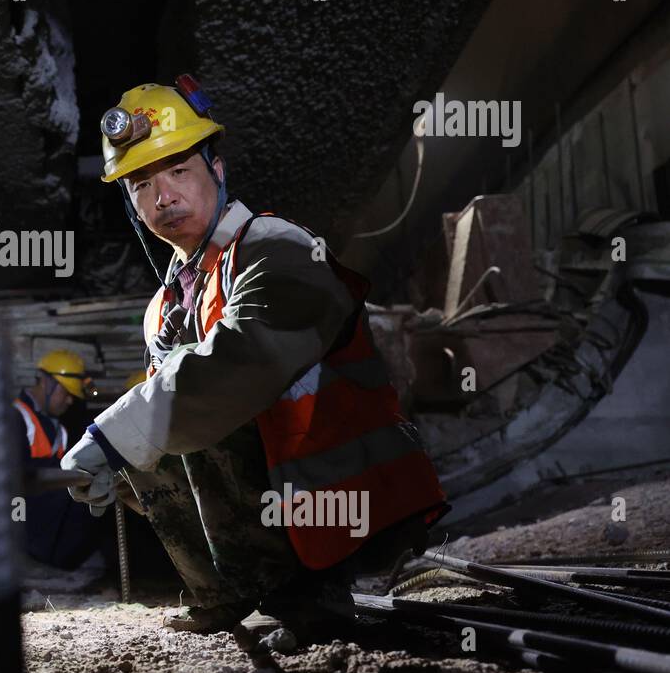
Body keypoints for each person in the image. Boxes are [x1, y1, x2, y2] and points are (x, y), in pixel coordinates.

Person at [61, 77, 448, 636]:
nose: (163, 196)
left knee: (178, 410)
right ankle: (223, 592)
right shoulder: (165, 303)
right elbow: (165, 419)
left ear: (216, 172)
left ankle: (306, 598)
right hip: (284, 491)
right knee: (146, 431)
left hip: (342, 488)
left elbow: (240, 365)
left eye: (178, 170)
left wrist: (111, 435)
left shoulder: (278, 246)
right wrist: (118, 461)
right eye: (142, 184)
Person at [0, 350, 113, 570]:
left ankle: (56, 562)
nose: (68, 401)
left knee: (87, 497)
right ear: (46, 382)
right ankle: (20, 555)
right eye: (66, 392)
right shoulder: (8, 417)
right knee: (58, 486)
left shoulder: (58, 430)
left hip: (25, 504)